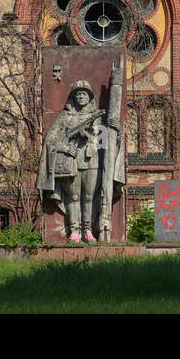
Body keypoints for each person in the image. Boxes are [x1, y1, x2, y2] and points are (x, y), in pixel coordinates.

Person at [37, 81, 106, 241]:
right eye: (78, 94)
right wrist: (66, 148)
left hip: (91, 162)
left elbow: (103, 142)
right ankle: (75, 230)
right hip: (71, 162)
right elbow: (51, 141)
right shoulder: (65, 116)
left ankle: (88, 230)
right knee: (74, 197)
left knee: (88, 197)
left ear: (89, 97)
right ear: (73, 97)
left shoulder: (97, 117)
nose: (81, 97)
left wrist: (92, 136)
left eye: (84, 94)